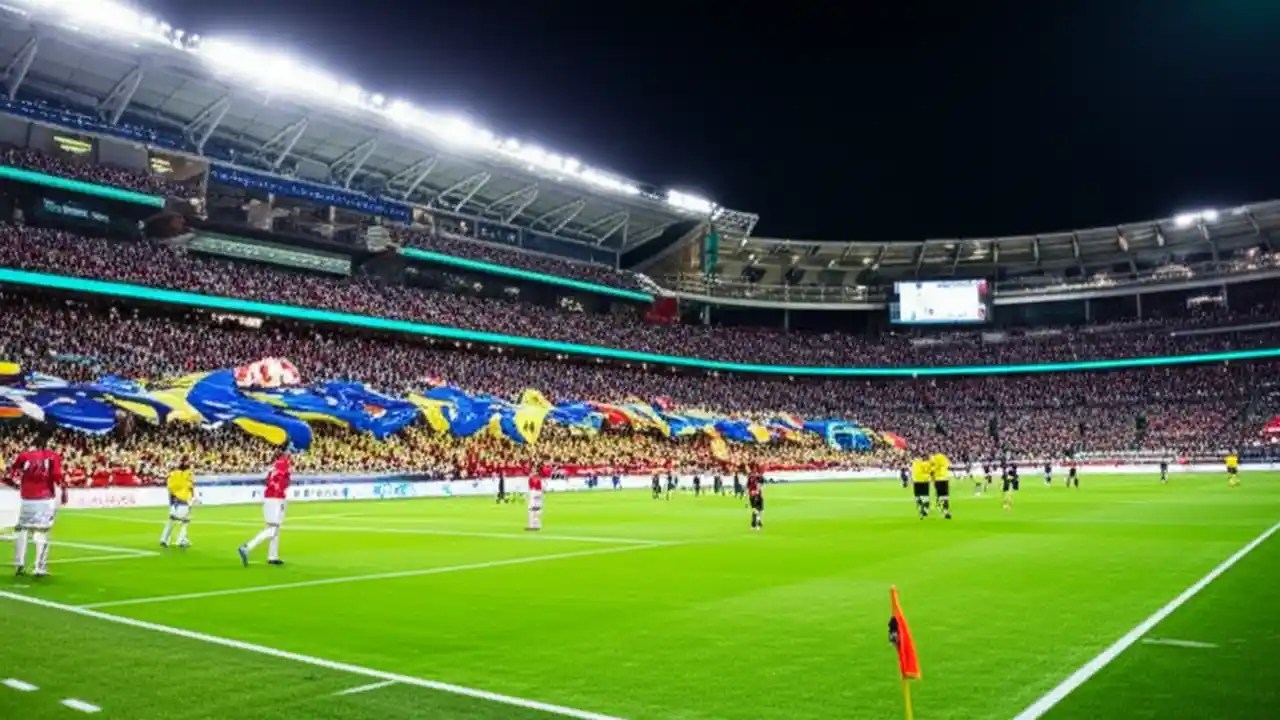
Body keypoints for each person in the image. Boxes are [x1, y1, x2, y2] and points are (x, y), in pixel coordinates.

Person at [3, 432, 66, 578]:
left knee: (22, 531)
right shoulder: (52, 456)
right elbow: (57, 476)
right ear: (46, 443)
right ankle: (39, 567)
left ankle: (19, 564)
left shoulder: (24, 456)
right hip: (45, 499)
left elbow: (12, 474)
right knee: (42, 533)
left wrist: (18, 484)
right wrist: (63, 490)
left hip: (27, 499)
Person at [238, 452, 291, 567]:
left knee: (273, 528)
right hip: (276, 499)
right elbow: (285, 483)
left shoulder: (272, 468)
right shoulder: (284, 465)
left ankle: (273, 556)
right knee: (273, 529)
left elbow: (267, 481)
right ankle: (247, 547)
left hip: (268, 498)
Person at [160, 458, 195, 548]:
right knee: (185, 521)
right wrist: (193, 497)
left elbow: (169, 489)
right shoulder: (188, 474)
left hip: (174, 501)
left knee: (171, 520)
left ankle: (164, 539)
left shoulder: (172, 475)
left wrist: (171, 503)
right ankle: (181, 540)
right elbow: (191, 487)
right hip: (183, 501)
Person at [930, 452, 952, 520]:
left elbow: (931, 471)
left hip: (938, 479)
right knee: (945, 496)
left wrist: (932, 479)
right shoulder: (944, 459)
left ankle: (941, 509)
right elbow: (949, 466)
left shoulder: (933, 459)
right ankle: (945, 511)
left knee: (940, 496)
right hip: (945, 479)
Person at [527, 466, 545, 531]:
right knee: (537, 510)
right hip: (538, 493)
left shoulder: (533, 478)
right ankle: (537, 525)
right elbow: (543, 488)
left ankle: (532, 526)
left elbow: (531, 487)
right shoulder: (539, 478)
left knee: (532, 510)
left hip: (534, 493)